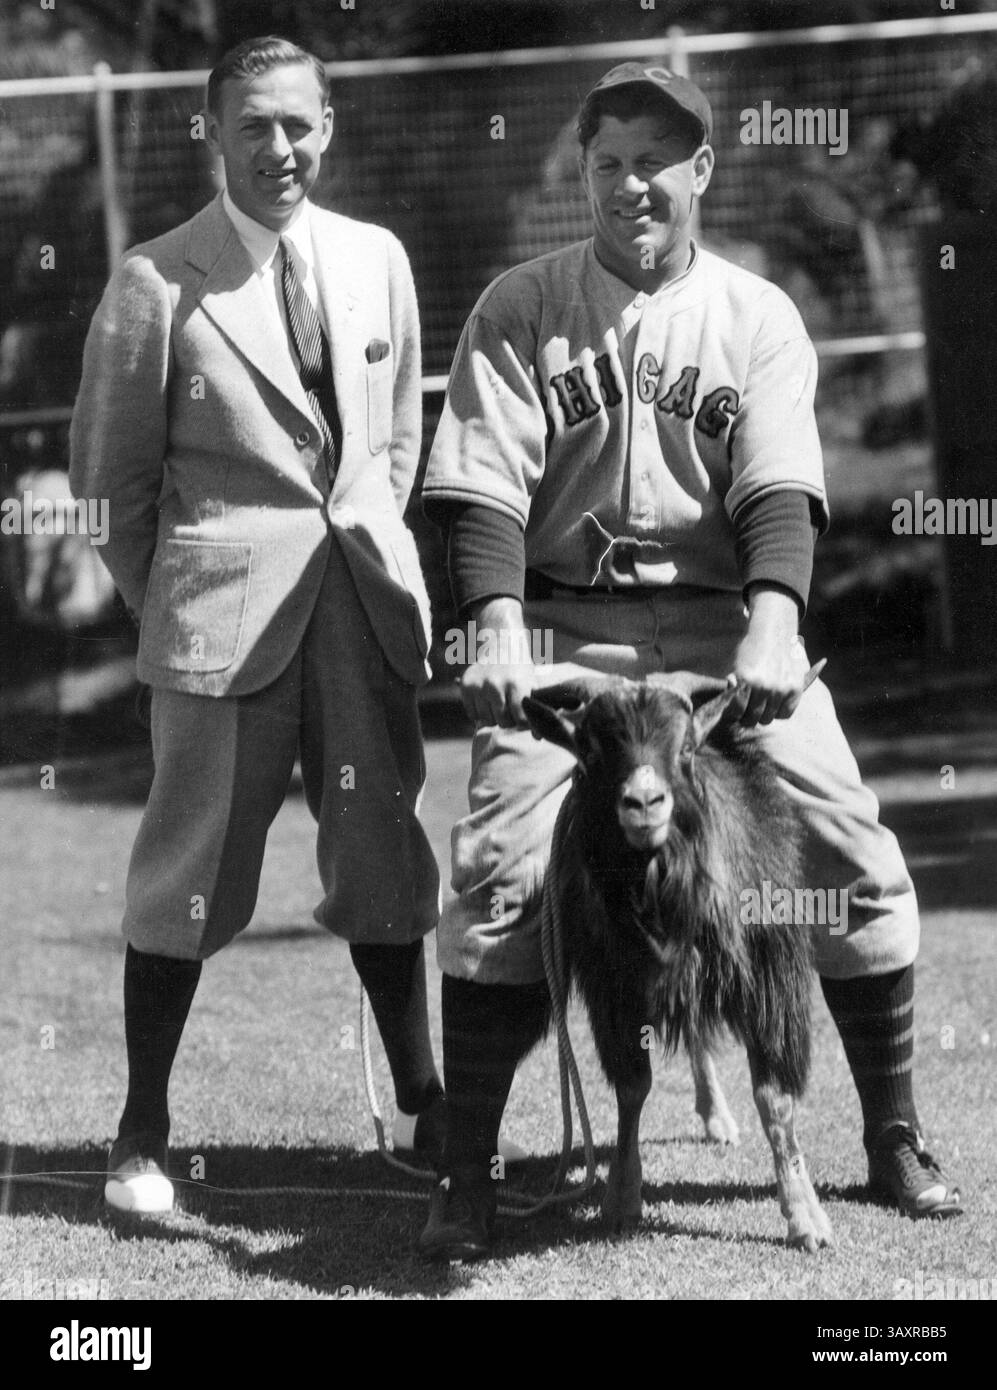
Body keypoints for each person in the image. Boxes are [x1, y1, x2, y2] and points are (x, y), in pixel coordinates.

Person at [417, 62, 963, 1260]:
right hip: (566, 638)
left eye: (656, 162)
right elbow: (482, 492)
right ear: (585, 174)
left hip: (721, 633)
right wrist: (495, 623)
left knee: (855, 856)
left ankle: (893, 1133)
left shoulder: (754, 314)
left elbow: (777, 484)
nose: (631, 186)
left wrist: (777, 618)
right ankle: (466, 1170)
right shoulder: (518, 306)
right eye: (608, 162)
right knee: (504, 875)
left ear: (701, 171)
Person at [70, 35, 447, 1213]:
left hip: (360, 623)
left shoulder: (376, 260)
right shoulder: (156, 281)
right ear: (212, 136)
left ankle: (429, 1110)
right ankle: (141, 1135)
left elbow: (391, 445)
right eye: (253, 128)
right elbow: (111, 491)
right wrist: (182, 603)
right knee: (187, 878)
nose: (279, 149)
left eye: (297, 124)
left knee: (385, 861)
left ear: (326, 126)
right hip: (218, 636)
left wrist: (373, 553)